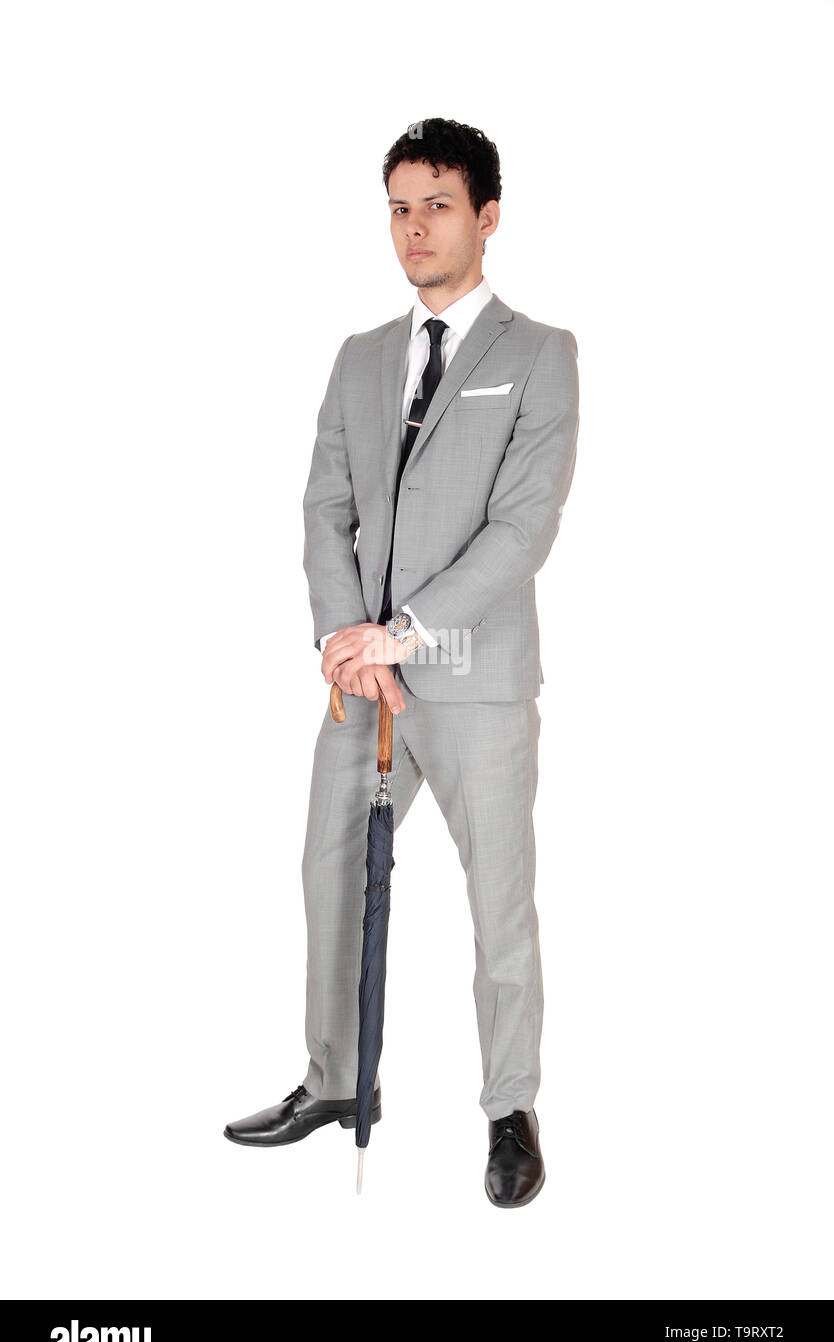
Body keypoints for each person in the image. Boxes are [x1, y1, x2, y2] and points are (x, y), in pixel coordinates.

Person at [224, 116, 580, 1207]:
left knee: (499, 901)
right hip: (360, 683)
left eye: (436, 204)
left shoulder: (540, 354)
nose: (414, 227)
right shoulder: (361, 357)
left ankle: (510, 1108)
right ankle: (335, 1079)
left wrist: (404, 632)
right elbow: (324, 505)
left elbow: (522, 530)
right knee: (330, 871)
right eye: (398, 205)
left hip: (470, 675)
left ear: (488, 215)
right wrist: (347, 640)